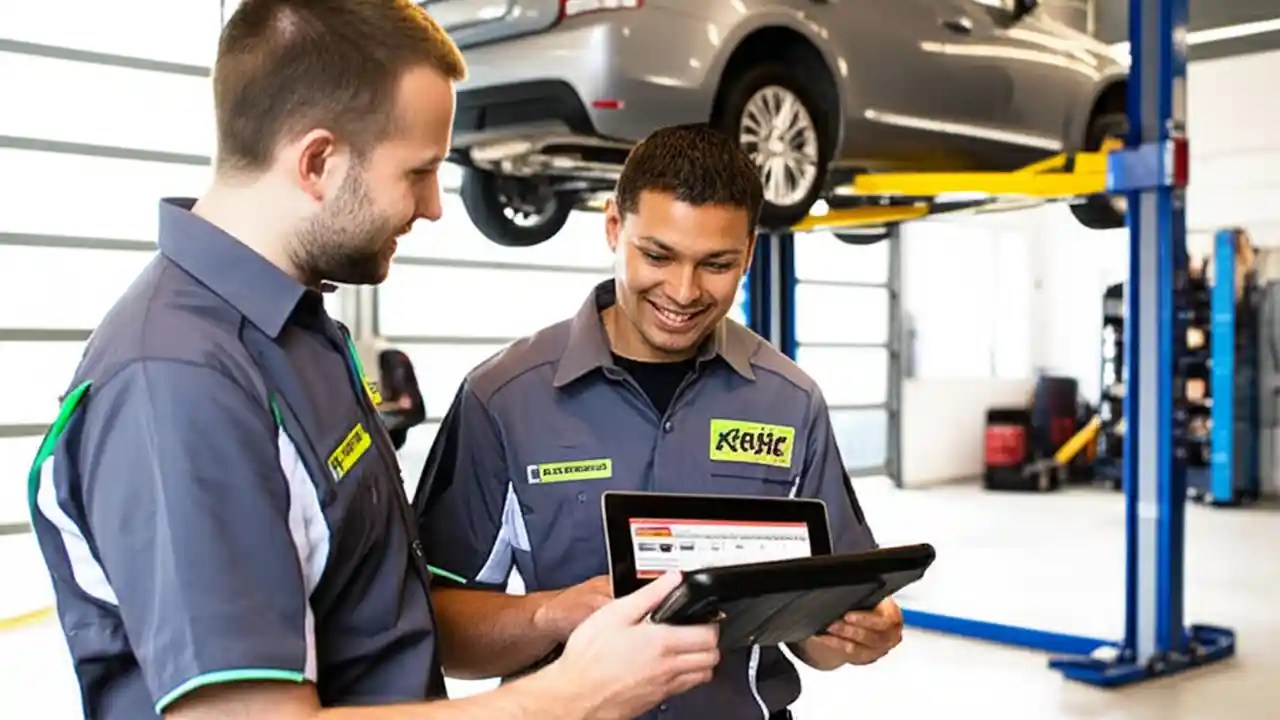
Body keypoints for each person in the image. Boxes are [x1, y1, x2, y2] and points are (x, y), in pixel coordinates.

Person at [26, 2, 720, 718]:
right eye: (418, 172)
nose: (432, 206)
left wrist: (553, 620)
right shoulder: (181, 384)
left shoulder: (294, 332)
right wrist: (572, 696)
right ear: (318, 161)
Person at [413, 123, 904, 720]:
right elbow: (437, 628)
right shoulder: (503, 398)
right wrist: (550, 613)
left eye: (716, 264)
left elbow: (815, 630)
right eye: (658, 255)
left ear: (749, 253)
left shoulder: (790, 403)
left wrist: (850, 639)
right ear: (614, 229)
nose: (683, 290)